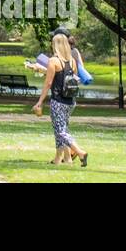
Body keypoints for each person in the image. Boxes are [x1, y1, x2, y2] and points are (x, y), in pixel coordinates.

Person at [33, 30, 88, 167]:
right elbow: (74, 79)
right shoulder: (73, 61)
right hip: (70, 102)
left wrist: (40, 102)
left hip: (58, 101)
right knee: (61, 128)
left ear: (55, 45)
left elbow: (48, 83)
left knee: (60, 131)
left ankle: (80, 152)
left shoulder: (53, 61)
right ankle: (62, 159)